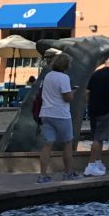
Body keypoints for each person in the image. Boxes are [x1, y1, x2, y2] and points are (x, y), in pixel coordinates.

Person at [38, 52, 77, 183]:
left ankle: (42, 175)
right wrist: (73, 92)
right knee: (67, 143)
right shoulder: (64, 78)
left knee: (47, 144)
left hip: (45, 113)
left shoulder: (47, 76)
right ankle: (68, 173)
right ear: (66, 65)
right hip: (61, 114)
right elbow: (67, 98)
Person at [83, 53, 109, 177]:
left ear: (107, 62)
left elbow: (87, 92)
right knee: (98, 138)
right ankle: (90, 165)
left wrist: (89, 105)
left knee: (98, 137)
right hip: (106, 109)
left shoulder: (96, 73)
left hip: (93, 108)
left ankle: (98, 162)